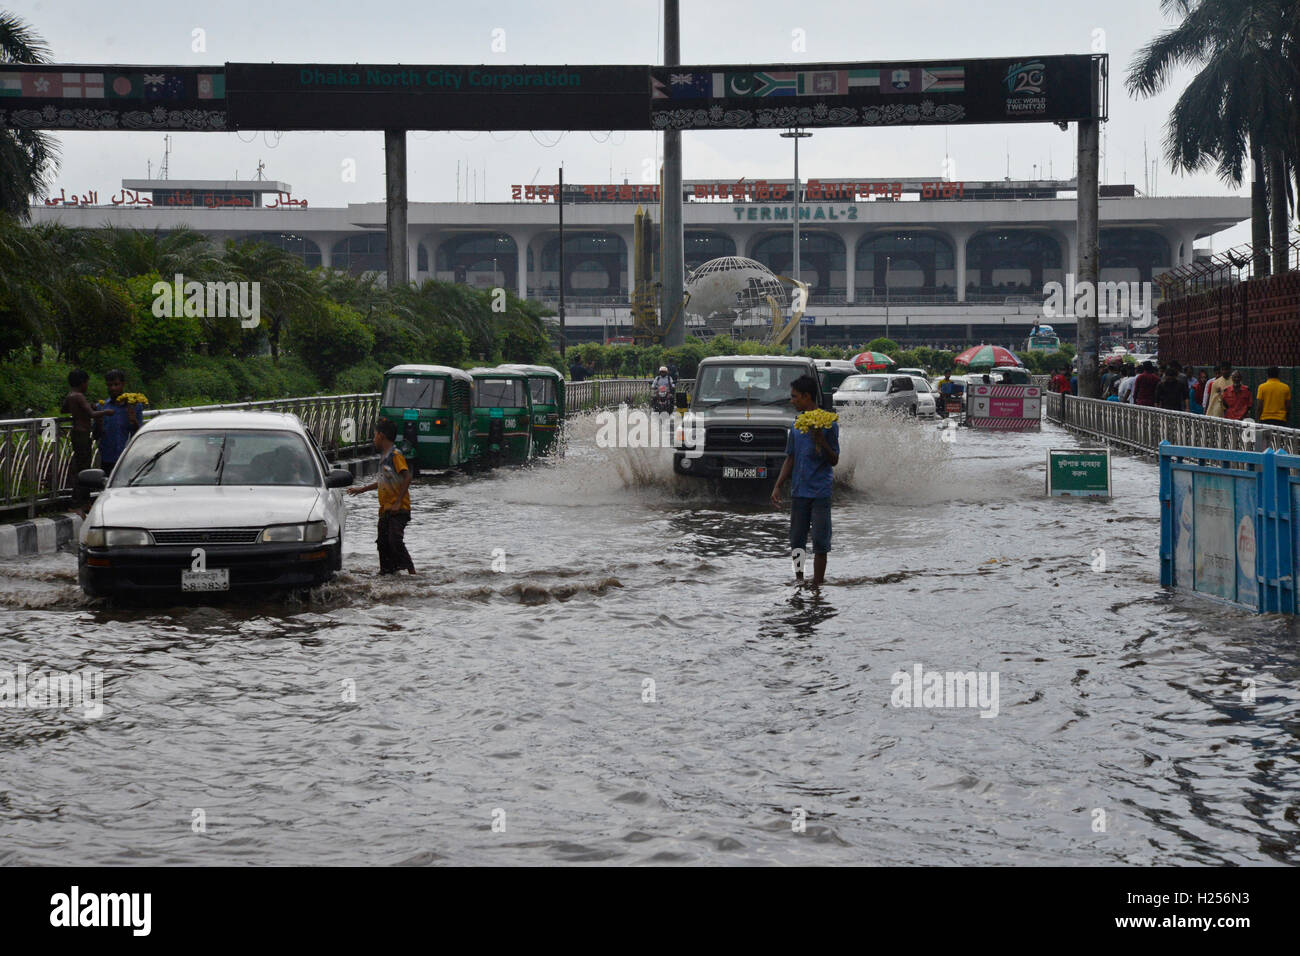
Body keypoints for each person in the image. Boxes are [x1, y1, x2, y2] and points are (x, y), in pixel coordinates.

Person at [771, 375, 839, 589]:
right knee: (797, 542)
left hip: (820, 492)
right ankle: (799, 580)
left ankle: (817, 585)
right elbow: (790, 457)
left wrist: (822, 442)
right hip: (799, 492)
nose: (792, 401)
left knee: (820, 542)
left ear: (807, 396)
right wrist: (778, 485)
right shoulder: (797, 425)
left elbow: (834, 459)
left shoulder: (829, 423)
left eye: (795, 397)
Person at [346, 420, 416, 575]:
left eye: (374, 435)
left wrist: (398, 502)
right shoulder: (384, 457)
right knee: (382, 543)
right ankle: (386, 572)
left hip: (399, 509)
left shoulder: (396, 455)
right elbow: (383, 481)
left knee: (394, 540)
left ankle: (412, 571)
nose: (373, 439)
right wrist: (362, 489)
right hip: (385, 509)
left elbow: (407, 477)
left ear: (381, 436)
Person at [61, 369, 115, 517]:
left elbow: (63, 409)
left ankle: (84, 502)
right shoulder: (79, 396)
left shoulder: (70, 396)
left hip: (77, 432)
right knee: (83, 469)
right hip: (82, 433)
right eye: (87, 382)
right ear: (82, 383)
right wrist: (106, 412)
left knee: (82, 466)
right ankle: (76, 503)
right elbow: (91, 414)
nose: (87, 385)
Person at [94, 369, 143, 476]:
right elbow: (95, 435)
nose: (113, 388)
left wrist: (133, 420)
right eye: (110, 385)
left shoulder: (135, 405)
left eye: (116, 384)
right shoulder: (102, 407)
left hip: (128, 457)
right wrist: (99, 423)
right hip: (107, 457)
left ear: (123, 384)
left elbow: (139, 433)